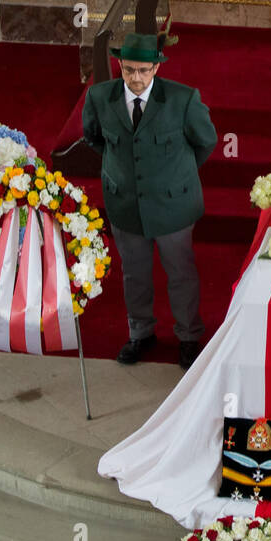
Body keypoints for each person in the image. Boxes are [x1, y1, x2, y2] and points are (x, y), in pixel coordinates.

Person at [82, 31, 217, 370]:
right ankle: (140, 333)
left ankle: (188, 337)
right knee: (134, 273)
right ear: (120, 66)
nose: (136, 78)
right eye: (129, 70)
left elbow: (206, 142)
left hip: (174, 206)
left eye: (143, 70)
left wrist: (175, 175)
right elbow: (94, 139)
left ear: (156, 68)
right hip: (126, 205)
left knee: (181, 272)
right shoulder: (100, 98)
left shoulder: (182, 100)